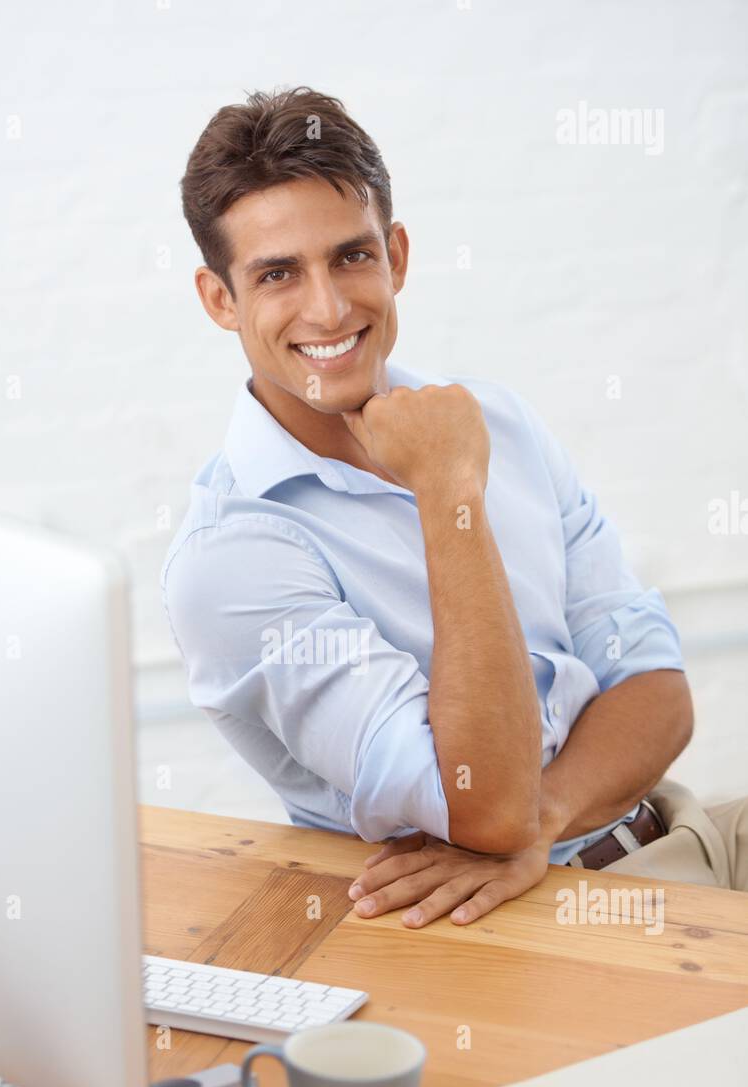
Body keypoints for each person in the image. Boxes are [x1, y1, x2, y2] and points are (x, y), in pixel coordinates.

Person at [162, 85, 747, 929]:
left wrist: (540, 820)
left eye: (351, 257)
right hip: (520, 924)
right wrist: (446, 492)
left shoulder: (492, 419)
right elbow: (484, 806)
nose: (327, 308)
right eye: (278, 274)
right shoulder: (233, 556)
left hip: (679, 827)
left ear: (395, 255)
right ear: (220, 299)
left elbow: (656, 691)